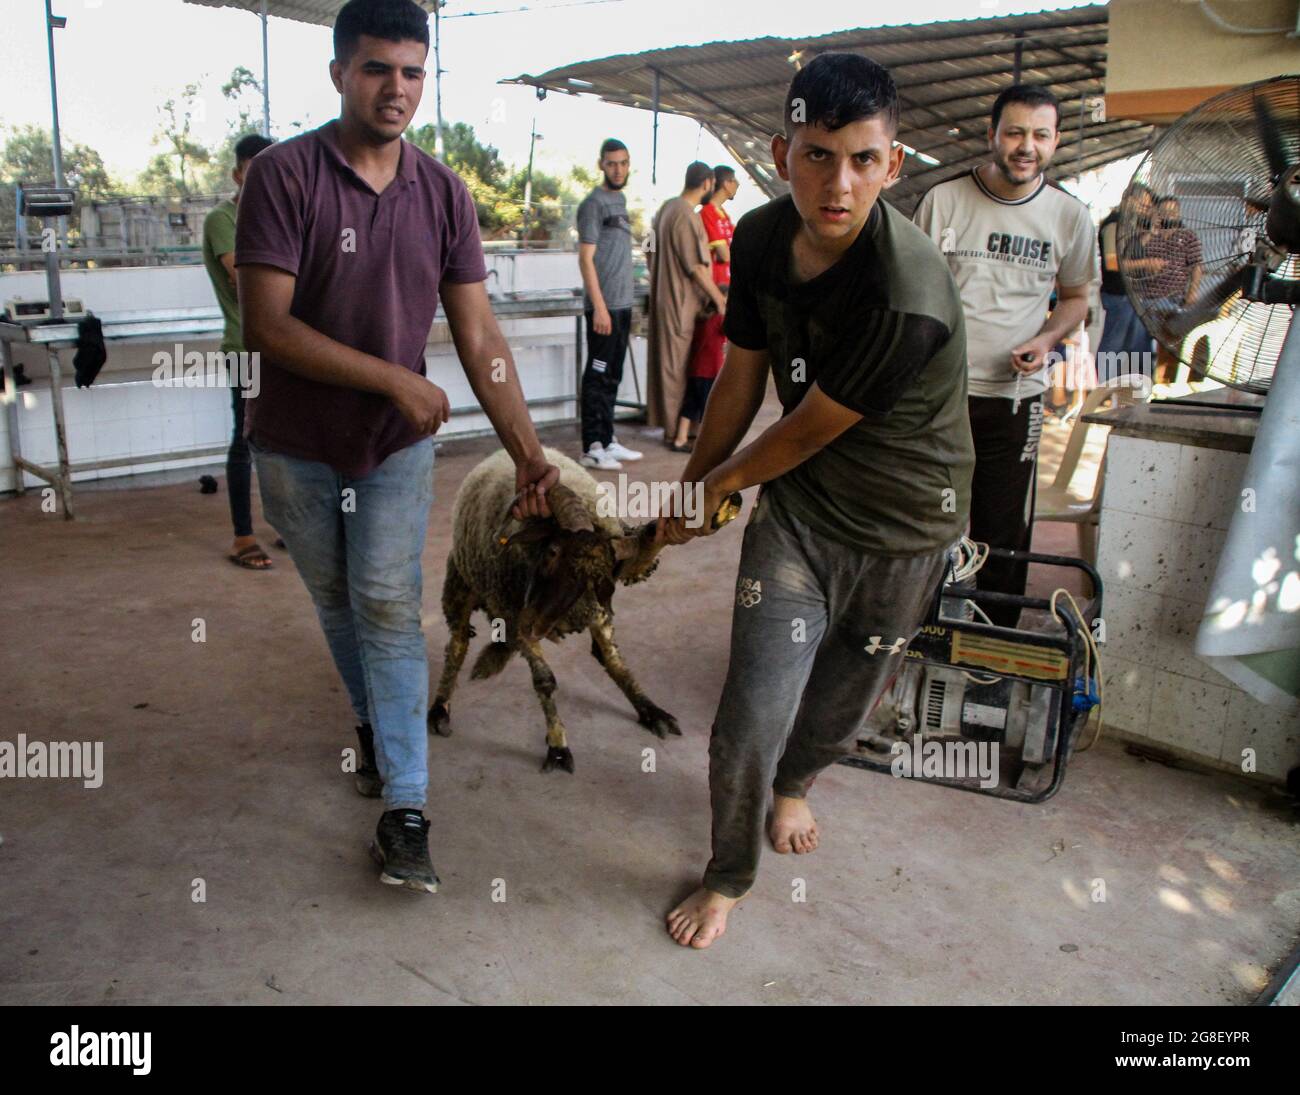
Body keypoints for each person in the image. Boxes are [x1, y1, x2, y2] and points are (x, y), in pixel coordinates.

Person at [234, 0, 558, 895]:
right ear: (339, 72)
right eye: (378, 68)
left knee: (383, 601)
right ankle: (377, 720)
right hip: (296, 443)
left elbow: (479, 331)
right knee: (338, 598)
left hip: (393, 447)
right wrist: (396, 376)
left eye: (413, 71)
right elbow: (267, 326)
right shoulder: (284, 177)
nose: (397, 88)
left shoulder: (443, 192)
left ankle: (406, 808)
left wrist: (529, 449)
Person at [658, 53, 974, 949]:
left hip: (908, 527)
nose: (839, 183)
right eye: (817, 154)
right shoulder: (757, 239)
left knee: (845, 694)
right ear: (780, 151)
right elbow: (739, 382)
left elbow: (804, 429)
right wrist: (692, 488)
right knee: (750, 710)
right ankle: (727, 875)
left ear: (894, 163)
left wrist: (722, 484)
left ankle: (797, 783)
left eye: (863, 160)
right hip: (799, 520)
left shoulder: (905, 289)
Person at [913, 84, 1099, 627]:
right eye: (1015, 132)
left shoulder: (1070, 216)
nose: (1026, 145)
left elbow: (1076, 299)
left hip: (1017, 401)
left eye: (1040, 135)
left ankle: (993, 639)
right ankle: (914, 631)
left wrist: (1046, 340)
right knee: (926, 519)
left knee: (1003, 531)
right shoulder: (944, 202)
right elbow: (915, 295)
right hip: (940, 398)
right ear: (991, 134)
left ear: (1055, 141)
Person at [201, 132, 275, 570]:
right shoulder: (223, 219)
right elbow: (243, 278)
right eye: (255, 171)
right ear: (238, 173)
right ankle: (243, 536)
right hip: (246, 347)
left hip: (289, 346)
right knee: (245, 439)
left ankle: (285, 523)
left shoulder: (281, 217)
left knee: (285, 439)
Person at [575, 138, 642, 470]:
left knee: (612, 375)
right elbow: (585, 260)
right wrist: (599, 307)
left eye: (623, 162)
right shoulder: (593, 204)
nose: (618, 169)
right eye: (612, 163)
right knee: (597, 377)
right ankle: (592, 446)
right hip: (605, 308)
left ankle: (609, 439)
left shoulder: (621, 200)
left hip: (622, 305)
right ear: (601, 164)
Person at [646, 162, 727, 437]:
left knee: (667, 364)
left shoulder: (665, 209)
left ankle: (672, 426)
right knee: (677, 369)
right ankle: (675, 432)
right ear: (707, 183)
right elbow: (696, 269)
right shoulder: (686, 215)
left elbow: (648, 252)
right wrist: (720, 299)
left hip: (663, 300)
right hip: (680, 304)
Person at [671, 165, 738, 453]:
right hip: (714, 297)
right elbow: (723, 253)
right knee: (705, 372)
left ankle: (697, 433)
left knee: (714, 369)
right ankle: (684, 435)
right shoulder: (706, 214)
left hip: (725, 293)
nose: (737, 186)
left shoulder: (725, 216)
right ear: (722, 183)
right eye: (734, 180)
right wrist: (718, 297)